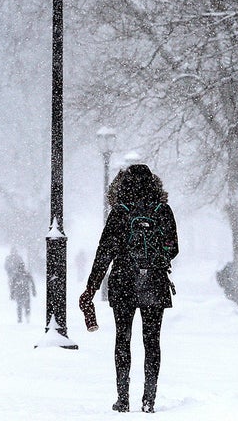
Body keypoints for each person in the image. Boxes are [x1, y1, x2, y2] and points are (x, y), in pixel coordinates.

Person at [79, 163, 178, 414]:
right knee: (152, 341)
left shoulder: (120, 212)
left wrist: (91, 288)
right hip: (154, 283)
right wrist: (156, 259)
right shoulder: (162, 210)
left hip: (123, 282)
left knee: (123, 338)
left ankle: (123, 399)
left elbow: (104, 253)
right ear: (154, 183)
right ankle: (149, 400)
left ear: (123, 185)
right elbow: (173, 247)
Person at [5, 250, 36, 323]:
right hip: (22, 292)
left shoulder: (22, 274)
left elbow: (32, 282)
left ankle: (25, 318)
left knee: (24, 306)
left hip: (23, 292)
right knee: (22, 306)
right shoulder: (18, 275)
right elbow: (12, 285)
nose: (21, 269)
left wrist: (33, 290)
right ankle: (21, 319)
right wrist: (12, 293)